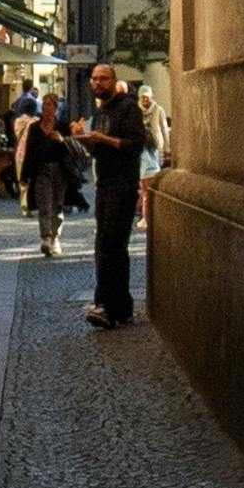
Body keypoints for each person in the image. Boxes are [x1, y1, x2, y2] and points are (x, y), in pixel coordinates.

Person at [81, 59, 154, 330]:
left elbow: (136, 144)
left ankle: (105, 306)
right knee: (107, 245)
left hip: (123, 184)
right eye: (94, 79)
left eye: (103, 79)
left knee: (110, 244)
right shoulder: (101, 112)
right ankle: (121, 308)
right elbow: (98, 152)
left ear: (113, 81)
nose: (97, 83)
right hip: (104, 184)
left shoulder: (128, 108)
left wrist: (104, 139)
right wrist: (88, 141)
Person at [19, 76, 78, 258]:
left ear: (56, 108)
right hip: (41, 169)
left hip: (60, 169)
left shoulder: (63, 127)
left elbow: (74, 147)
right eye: (44, 105)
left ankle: (55, 237)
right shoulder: (35, 128)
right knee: (45, 204)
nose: (46, 108)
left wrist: (62, 140)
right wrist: (25, 175)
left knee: (58, 205)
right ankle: (45, 238)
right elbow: (29, 150)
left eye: (50, 105)